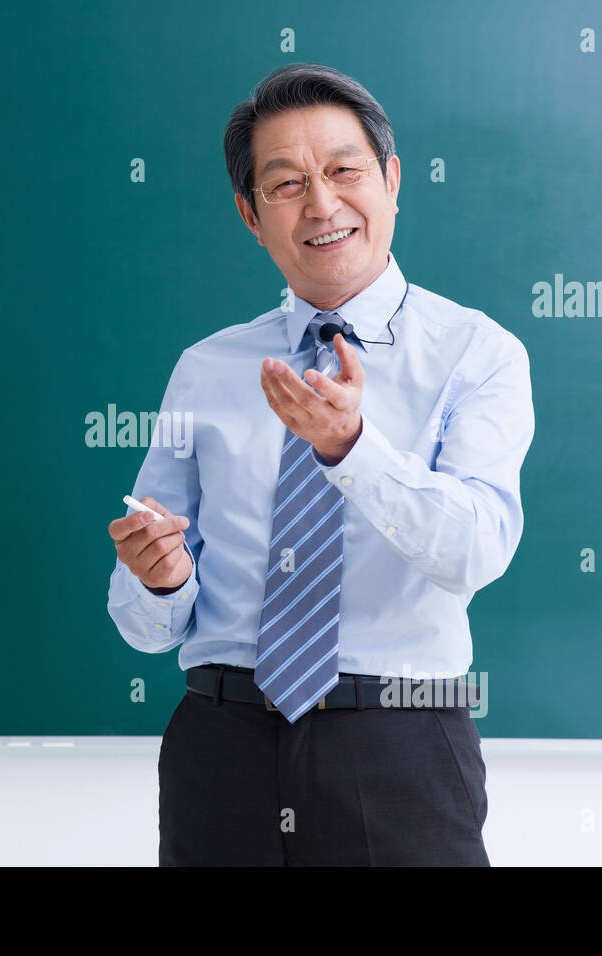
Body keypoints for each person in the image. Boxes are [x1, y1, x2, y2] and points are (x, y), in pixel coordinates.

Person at [106, 63, 535, 866]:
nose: (323, 203)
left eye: (344, 171)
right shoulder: (205, 368)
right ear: (250, 214)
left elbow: (477, 549)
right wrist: (158, 579)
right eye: (286, 184)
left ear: (392, 180)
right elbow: (143, 625)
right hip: (222, 747)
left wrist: (352, 450)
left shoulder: (477, 354)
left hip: (401, 749)